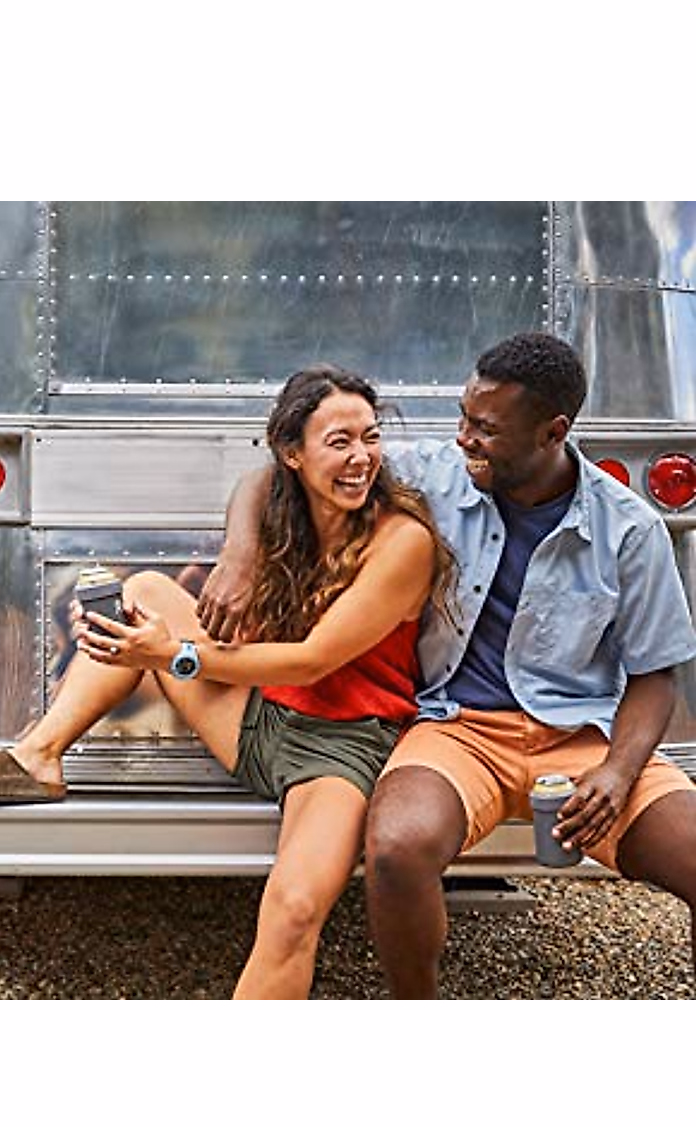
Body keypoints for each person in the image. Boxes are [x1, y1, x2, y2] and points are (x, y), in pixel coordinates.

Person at [0, 365, 453, 998]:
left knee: (292, 911)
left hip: (342, 751)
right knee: (145, 593)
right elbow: (254, 483)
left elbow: (311, 661)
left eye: (370, 438)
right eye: (338, 441)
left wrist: (175, 655)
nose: (361, 458)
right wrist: (222, 566)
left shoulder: (403, 540)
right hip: (265, 722)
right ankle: (38, 756)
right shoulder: (289, 512)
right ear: (293, 454)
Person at [202, 331, 696, 998]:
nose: (464, 438)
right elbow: (273, 472)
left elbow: (655, 675)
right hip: (456, 729)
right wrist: (239, 554)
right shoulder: (437, 473)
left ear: (552, 433)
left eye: (486, 429)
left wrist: (617, 773)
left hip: (583, 738)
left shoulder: (629, 528)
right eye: (465, 417)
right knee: (395, 851)